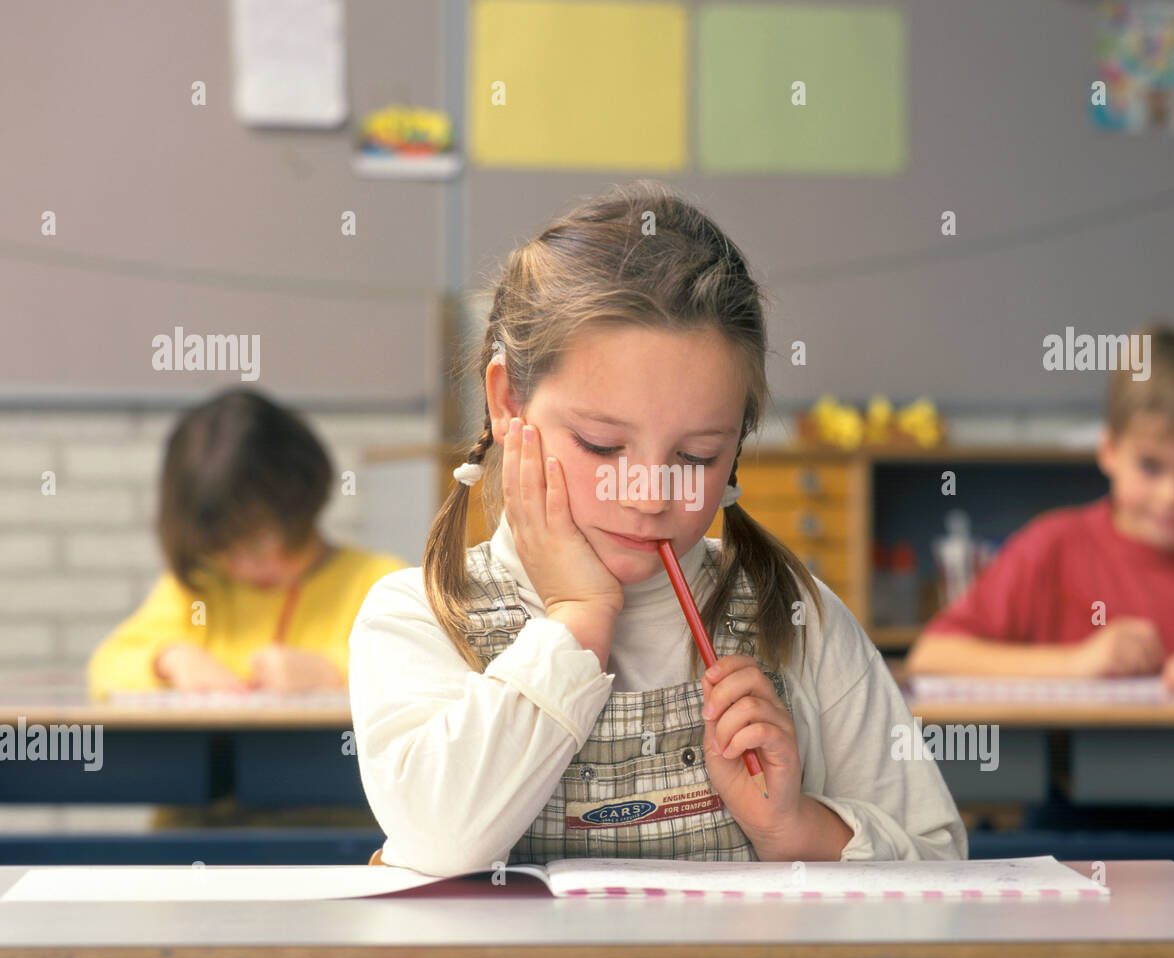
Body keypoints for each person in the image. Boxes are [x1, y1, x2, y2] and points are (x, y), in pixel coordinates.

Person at [350, 179, 967, 876]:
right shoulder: (420, 618)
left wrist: (795, 828)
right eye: (603, 446)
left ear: (736, 444)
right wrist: (577, 621)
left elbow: (941, 864)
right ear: (506, 401)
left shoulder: (796, 619)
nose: (648, 494)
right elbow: (440, 841)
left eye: (696, 455)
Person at [907, 324, 1174, 690]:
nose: (1172, 496)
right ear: (1108, 450)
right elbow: (931, 656)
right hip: (1070, 764)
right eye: (1150, 466)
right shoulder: (1050, 546)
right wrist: (1075, 663)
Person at [87, 387, 407, 699]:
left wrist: (334, 672)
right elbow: (107, 666)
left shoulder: (381, 584)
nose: (243, 566)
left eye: (259, 542)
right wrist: (168, 659)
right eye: (220, 551)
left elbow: (424, 670)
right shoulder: (197, 590)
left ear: (302, 500)